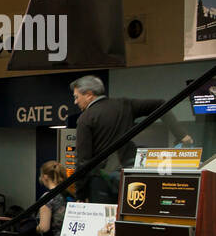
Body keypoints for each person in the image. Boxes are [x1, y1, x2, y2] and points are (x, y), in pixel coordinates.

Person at [70, 75, 192, 203]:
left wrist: (80, 195)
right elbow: (160, 104)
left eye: (76, 97)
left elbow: (83, 161)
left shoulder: (85, 118)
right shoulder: (124, 105)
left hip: (101, 183)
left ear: (89, 94)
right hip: (129, 176)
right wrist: (181, 134)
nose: (75, 102)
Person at [36, 161, 68, 236]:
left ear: (45, 177)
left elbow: (44, 227)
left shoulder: (48, 198)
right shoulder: (70, 195)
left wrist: (33, 228)